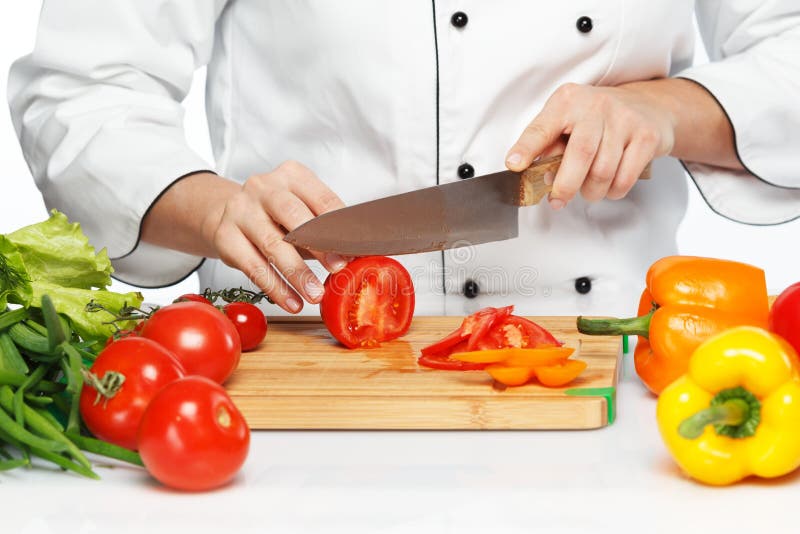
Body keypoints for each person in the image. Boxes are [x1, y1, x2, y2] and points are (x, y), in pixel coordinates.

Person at [8, 2, 800, 318]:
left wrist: (666, 110)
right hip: (291, 358)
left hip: (605, 371)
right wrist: (209, 207)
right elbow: (80, 91)